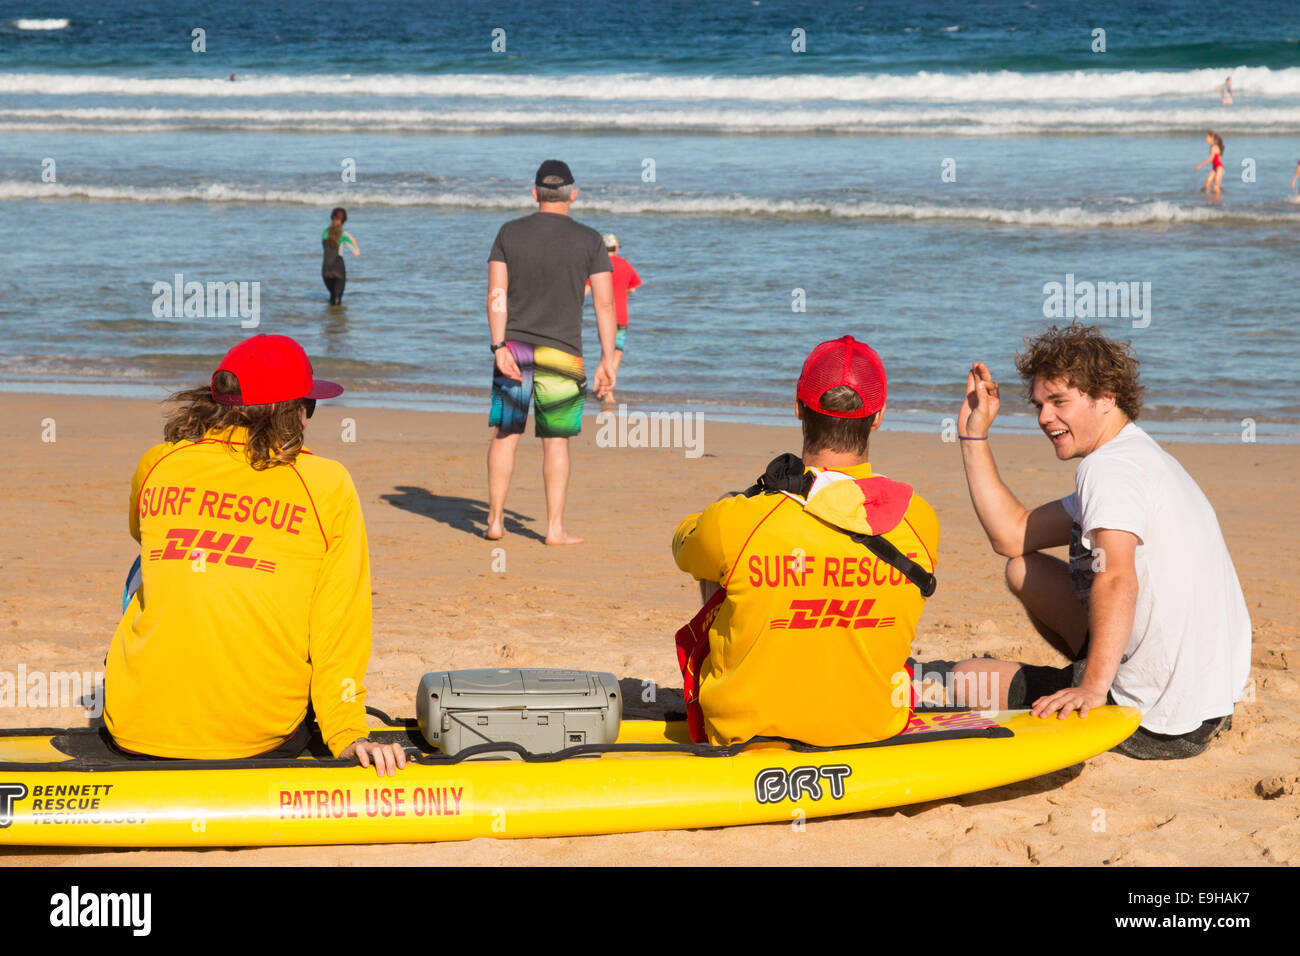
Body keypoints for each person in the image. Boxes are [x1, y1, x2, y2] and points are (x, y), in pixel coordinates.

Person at [943, 324, 1251, 759]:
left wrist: (1092, 688)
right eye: (1040, 405)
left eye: (1059, 402)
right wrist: (973, 437)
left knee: (963, 678)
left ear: (1106, 397)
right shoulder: (1141, 459)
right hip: (1207, 709)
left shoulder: (1109, 471)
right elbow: (1012, 535)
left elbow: (1117, 579)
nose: (1044, 417)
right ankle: (1094, 673)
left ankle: (1090, 680)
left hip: (1156, 721)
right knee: (1022, 567)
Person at [104, 334, 406, 776]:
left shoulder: (158, 462)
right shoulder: (326, 482)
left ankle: (158, 696)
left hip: (131, 730)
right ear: (292, 412)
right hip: (259, 740)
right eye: (309, 406)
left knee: (151, 563)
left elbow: (139, 532)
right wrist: (346, 732)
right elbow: (339, 621)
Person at [671, 335, 939, 746]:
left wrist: (723, 508)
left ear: (798, 407)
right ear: (879, 416)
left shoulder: (740, 520)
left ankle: (755, 703)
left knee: (722, 563)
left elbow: (682, 547)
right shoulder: (919, 517)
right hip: (873, 725)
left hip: (744, 732)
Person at [485, 160, 617, 544]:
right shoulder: (590, 240)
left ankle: (495, 521)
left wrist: (498, 347)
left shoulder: (509, 233)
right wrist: (608, 359)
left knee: (506, 434)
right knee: (555, 441)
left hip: (515, 348)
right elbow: (605, 305)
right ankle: (554, 528)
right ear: (573, 194)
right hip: (563, 352)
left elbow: (497, 295)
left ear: (534, 193)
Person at [585, 233, 642, 403]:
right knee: (616, 355)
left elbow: (586, 290)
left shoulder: (597, 265)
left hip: (604, 319)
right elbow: (633, 288)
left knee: (605, 353)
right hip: (622, 317)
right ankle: (608, 391)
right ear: (616, 248)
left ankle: (602, 388)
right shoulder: (624, 264)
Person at [322, 207, 359, 306]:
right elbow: (356, 253)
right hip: (338, 271)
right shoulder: (344, 235)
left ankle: (329, 319)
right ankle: (336, 320)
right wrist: (352, 238)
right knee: (337, 300)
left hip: (325, 271)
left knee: (332, 297)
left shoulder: (324, 233)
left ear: (332, 218)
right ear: (344, 221)